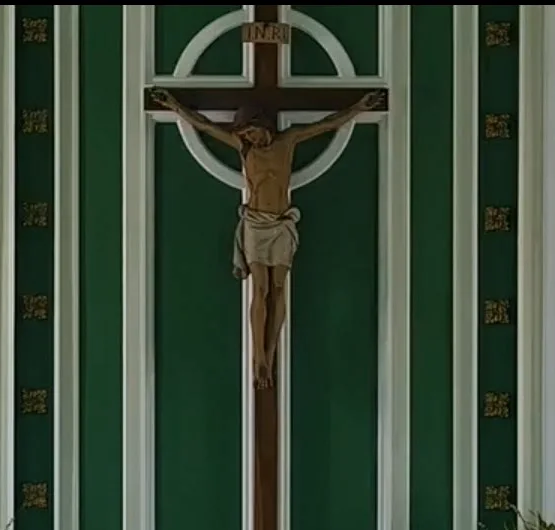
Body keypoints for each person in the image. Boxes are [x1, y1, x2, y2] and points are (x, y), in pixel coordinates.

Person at [148, 87, 385, 390]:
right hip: (256, 225)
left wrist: (359, 107)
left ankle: (270, 355)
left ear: (263, 125)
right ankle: (258, 357)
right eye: (244, 134)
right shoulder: (244, 149)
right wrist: (174, 105)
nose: (250, 138)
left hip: (281, 224)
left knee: (278, 288)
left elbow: (327, 124)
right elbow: (205, 126)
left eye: (251, 132)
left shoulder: (288, 141)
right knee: (260, 288)